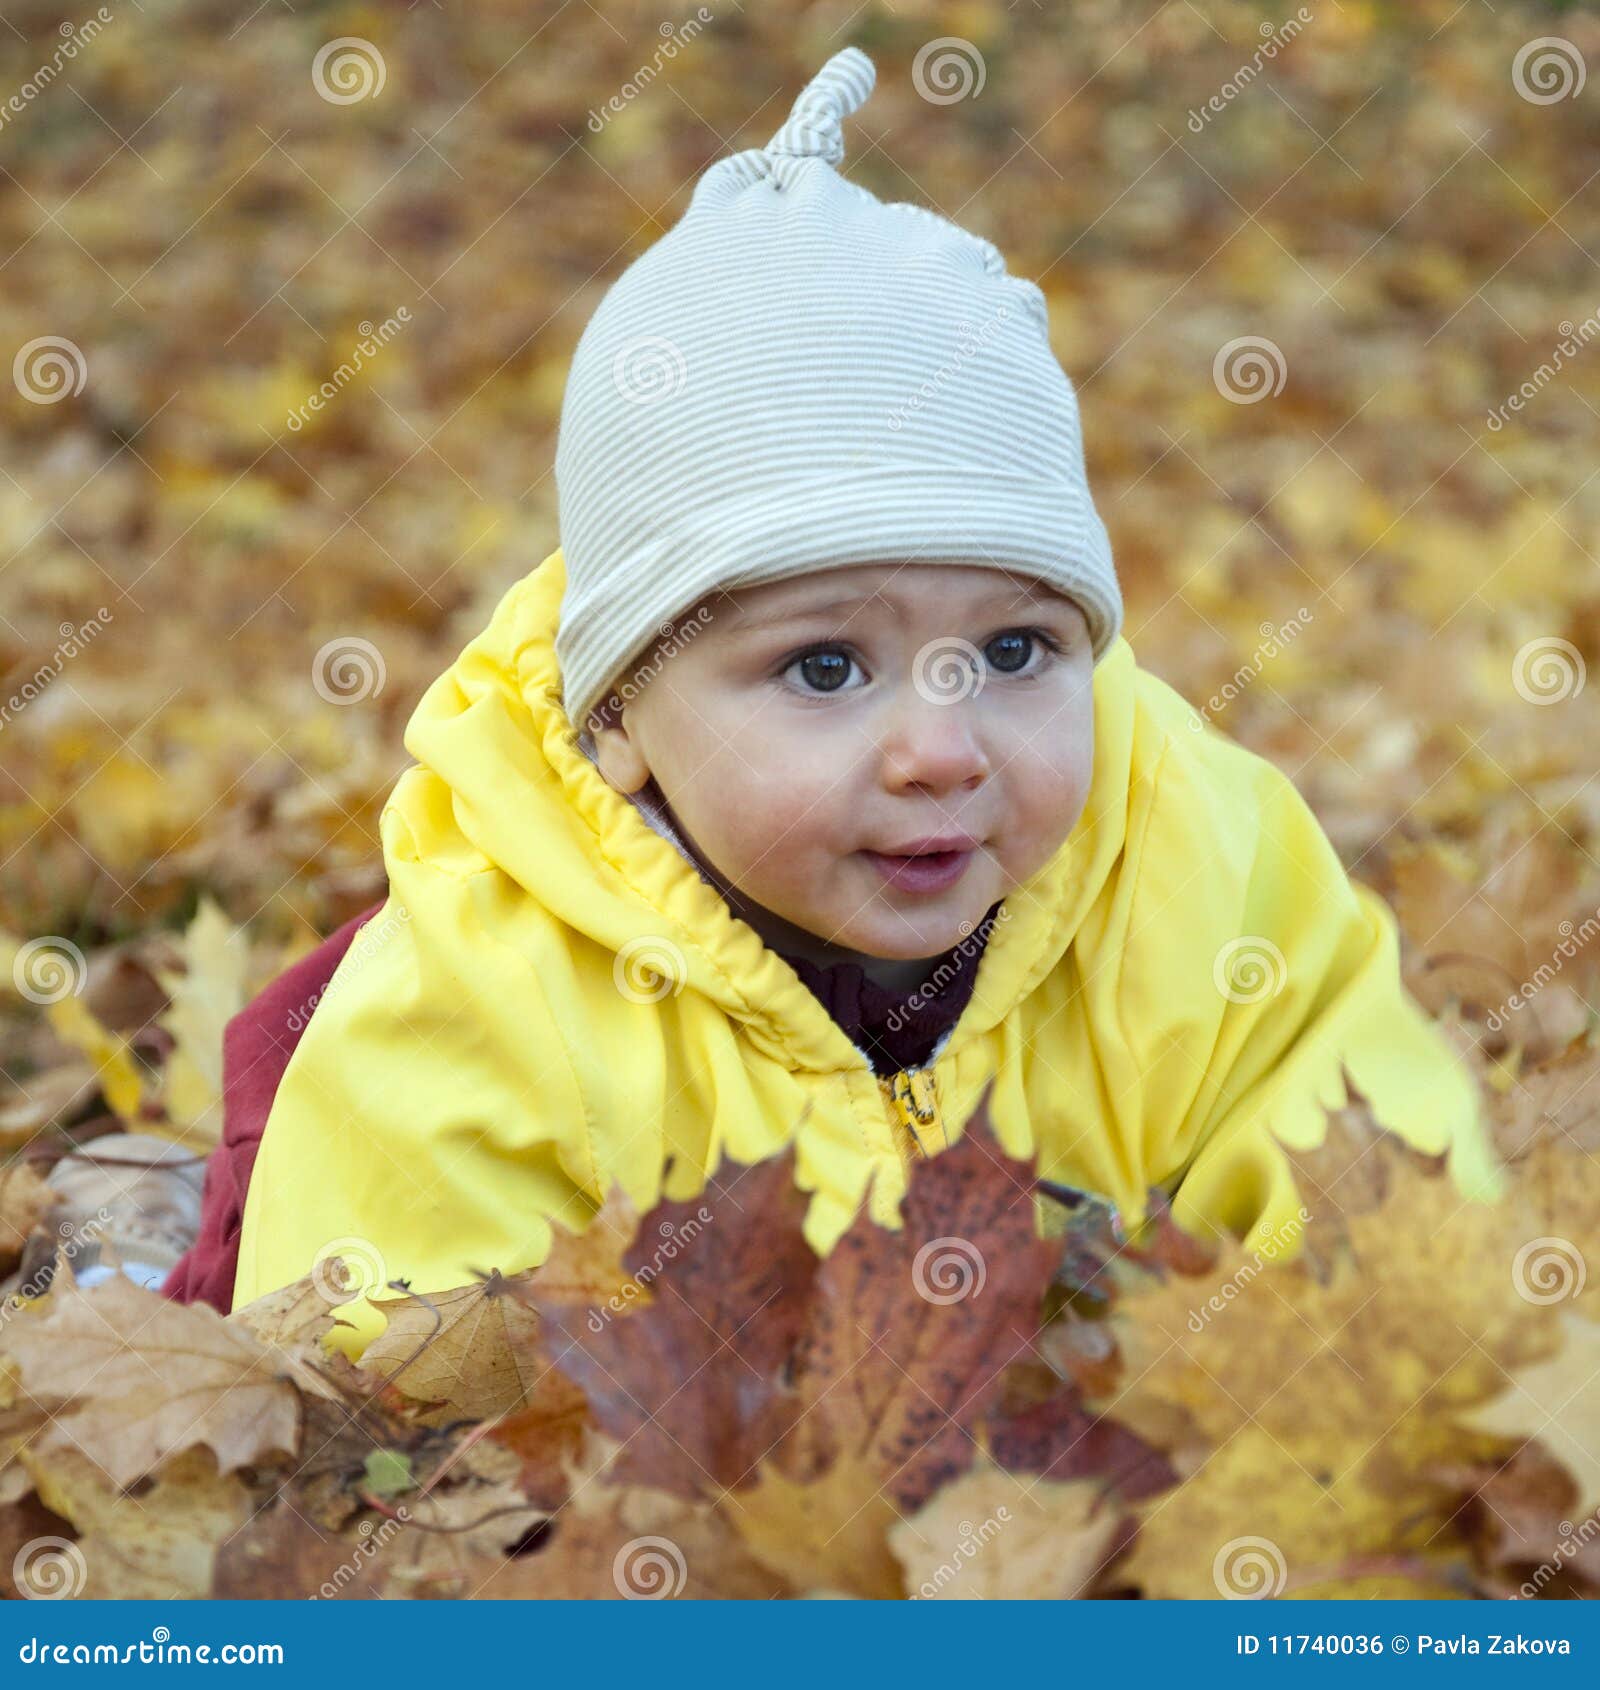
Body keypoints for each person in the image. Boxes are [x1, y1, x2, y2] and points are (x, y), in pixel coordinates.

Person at [169, 47, 1504, 1360]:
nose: (942, 748)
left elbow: (1361, 1145)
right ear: (619, 714)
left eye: (1019, 649)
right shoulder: (485, 996)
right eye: (824, 667)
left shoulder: (1197, 856)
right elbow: (387, 1382)